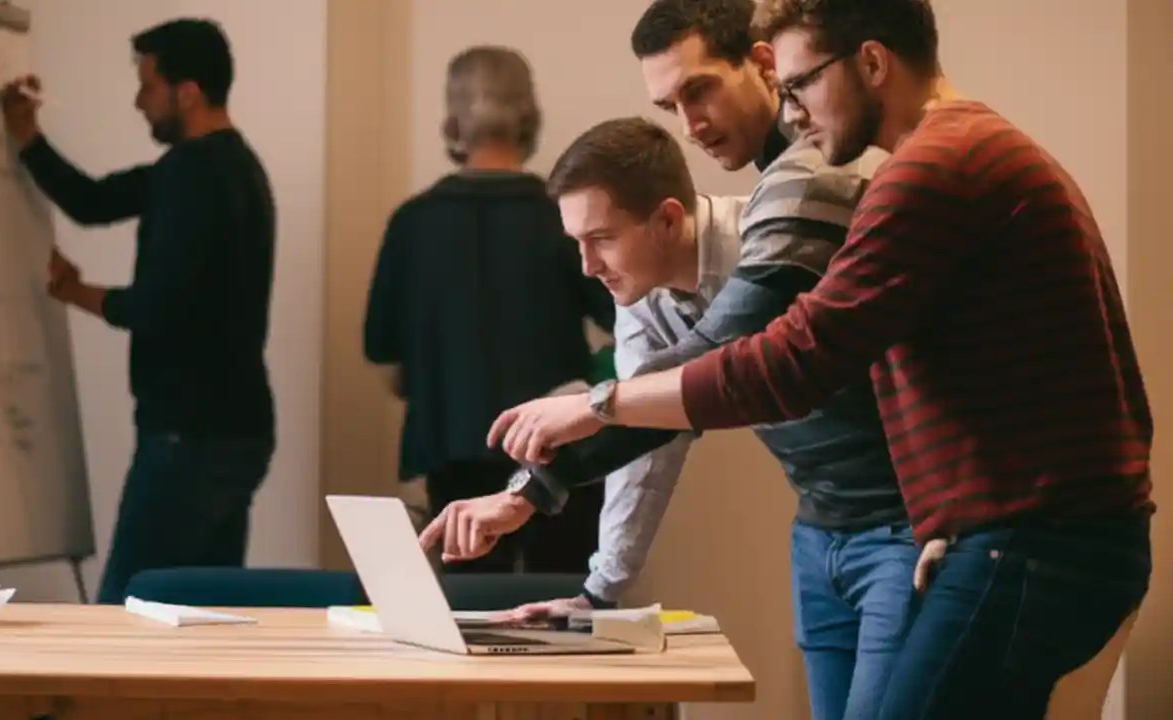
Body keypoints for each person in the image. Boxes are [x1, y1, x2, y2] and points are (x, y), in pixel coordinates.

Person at [434, 0, 1156, 716]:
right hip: (1016, 529)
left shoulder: (910, 172)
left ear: (872, 63)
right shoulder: (955, 154)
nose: (795, 110)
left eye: (800, 83)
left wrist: (597, 405)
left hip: (1031, 536)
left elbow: (783, 364)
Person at [427, 3, 915, 716]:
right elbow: (656, 433)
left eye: (700, 90)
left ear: (763, 65)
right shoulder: (646, 297)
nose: (690, 124)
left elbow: (714, 367)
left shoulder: (801, 196)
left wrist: (590, 408)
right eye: (670, 104)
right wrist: (582, 569)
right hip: (820, 531)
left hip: (906, 524)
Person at [0, 19, 277, 604]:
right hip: (239, 430)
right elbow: (95, 201)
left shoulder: (188, 176)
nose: (137, 100)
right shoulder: (238, 168)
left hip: (188, 436)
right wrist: (28, 138)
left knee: (124, 614)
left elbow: (156, 307)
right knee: (203, 613)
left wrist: (75, 292)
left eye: (148, 86)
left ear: (188, 92)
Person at [363, 46, 614, 575]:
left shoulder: (413, 223)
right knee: (565, 612)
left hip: (453, 451)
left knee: (469, 621)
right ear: (529, 116)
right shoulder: (561, 217)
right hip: (559, 449)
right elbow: (626, 323)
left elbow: (381, 351)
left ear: (453, 119)